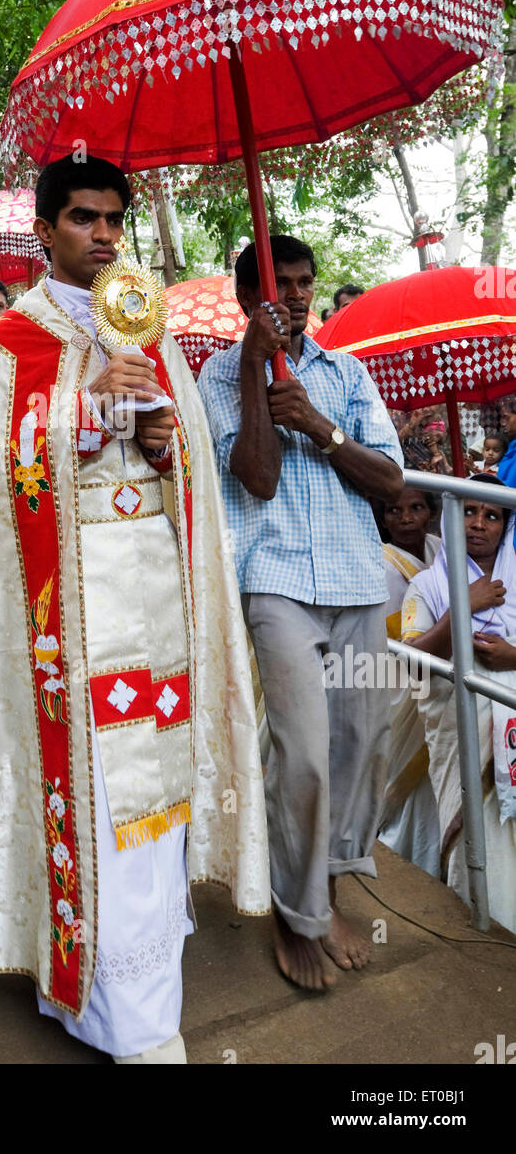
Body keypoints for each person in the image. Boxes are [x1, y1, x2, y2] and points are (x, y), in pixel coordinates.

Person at [0, 154, 269, 1064]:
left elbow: (188, 467)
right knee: (95, 798)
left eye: (115, 219)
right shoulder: (11, 345)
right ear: (44, 232)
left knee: (153, 807)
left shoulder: (150, 331)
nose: (106, 235)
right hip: (70, 623)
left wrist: (161, 441)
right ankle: (123, 1016)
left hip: (157, 602)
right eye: (85, 218)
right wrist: (88, 411)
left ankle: (120, 994)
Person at [199, 234, 403, 992]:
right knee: (306, 753)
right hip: (275, 582)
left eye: (303, 282)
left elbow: (388, 479)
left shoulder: (347, 373)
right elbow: (253, 477)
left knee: (362, 744)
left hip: (356, 580)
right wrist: (256, 374)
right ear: (245, 294)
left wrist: (320, 426)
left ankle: (329, 894)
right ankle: (296, 912)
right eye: (277, 284)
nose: (293, 296)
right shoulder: (217, 375)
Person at [401, 475, 516, 933]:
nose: (478, 523)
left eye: (491, 515)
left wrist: (512, 656)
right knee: (479, 841)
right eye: (468, 511)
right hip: (464, 741)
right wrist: (461, 607)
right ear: (448, 515)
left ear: (505, 526)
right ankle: (484, 927)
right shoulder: (427, 586)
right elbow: (412, 664)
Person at [376, 487, 442, 877]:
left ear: (431, 513)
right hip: (400, 680)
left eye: (416, 507)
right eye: (394, 510)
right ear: (383, 518)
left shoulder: (438, 548)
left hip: (435, 668)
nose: (405, 518)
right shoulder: (383, 565)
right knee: (404, 777)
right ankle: (398, 846)